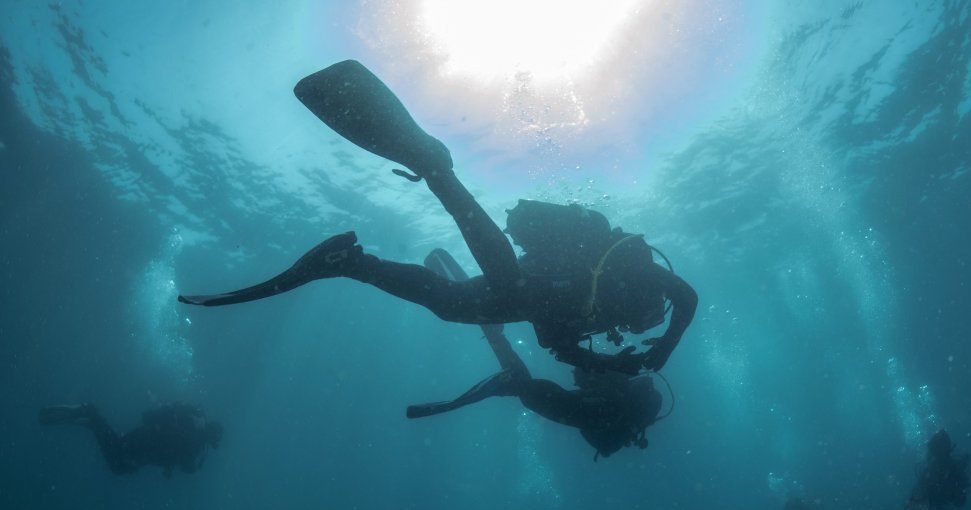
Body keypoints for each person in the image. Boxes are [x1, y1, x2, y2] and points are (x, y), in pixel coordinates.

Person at [178, 60, 697, 376]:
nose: (637, 326)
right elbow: (687, 296)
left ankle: (350, 263)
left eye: (642, 328)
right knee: (508, 282)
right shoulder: (636, 275)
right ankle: (435, 169)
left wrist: (613, 363)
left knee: (452, 306)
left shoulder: (600, 319)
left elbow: (556, 346)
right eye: (648, 321)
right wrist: (668, 349)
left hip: (521, 296)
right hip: (523, 283)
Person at [406, 249, 665, 460]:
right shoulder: (609, 395)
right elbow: (573, 361)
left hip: (591, 410)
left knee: (524, 387)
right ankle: (506, 366)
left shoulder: (604, 401)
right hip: (592, 409)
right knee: (524, 386)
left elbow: (572, 367)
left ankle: (507, 374)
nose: (574, 375)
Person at [38, 402, 223, 477]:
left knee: (117, 463)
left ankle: (90, 420)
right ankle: (90, 415)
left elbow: (178, 455)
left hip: (147, 444)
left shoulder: (194, 434)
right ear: (212, 435)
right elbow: (188, 466)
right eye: (215, 439)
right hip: (146, 444)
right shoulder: (197, 443)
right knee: (117, 460)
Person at [905, 429, 970, 510]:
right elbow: (919, 493)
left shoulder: (955, 468)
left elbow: (960, 501)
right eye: (937, 450)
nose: (939, 453)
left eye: (941, 449)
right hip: (938, 508)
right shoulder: (930, 470)